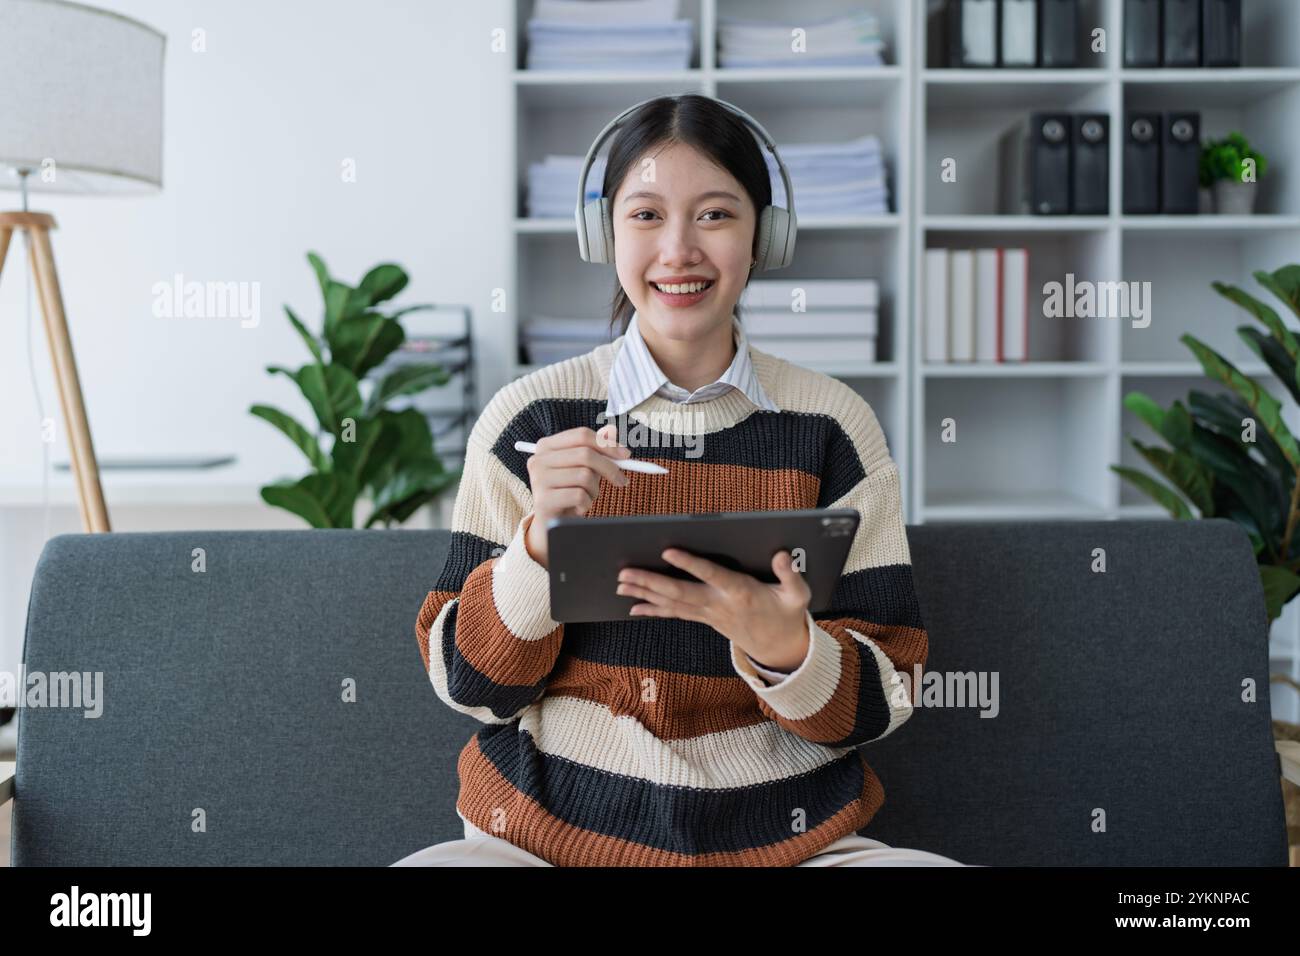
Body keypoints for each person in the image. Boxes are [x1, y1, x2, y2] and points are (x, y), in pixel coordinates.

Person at [392, 94, 969, 867]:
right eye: (646, 215)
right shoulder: (528, 420)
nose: (679, 251)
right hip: (543, 839)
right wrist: (534, 550)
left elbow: (889, 692)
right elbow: (469, 687)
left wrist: (786, 650)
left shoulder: (834, 426)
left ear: (765, 232)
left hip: (790, 845)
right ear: (605, 234)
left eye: (716, 215)